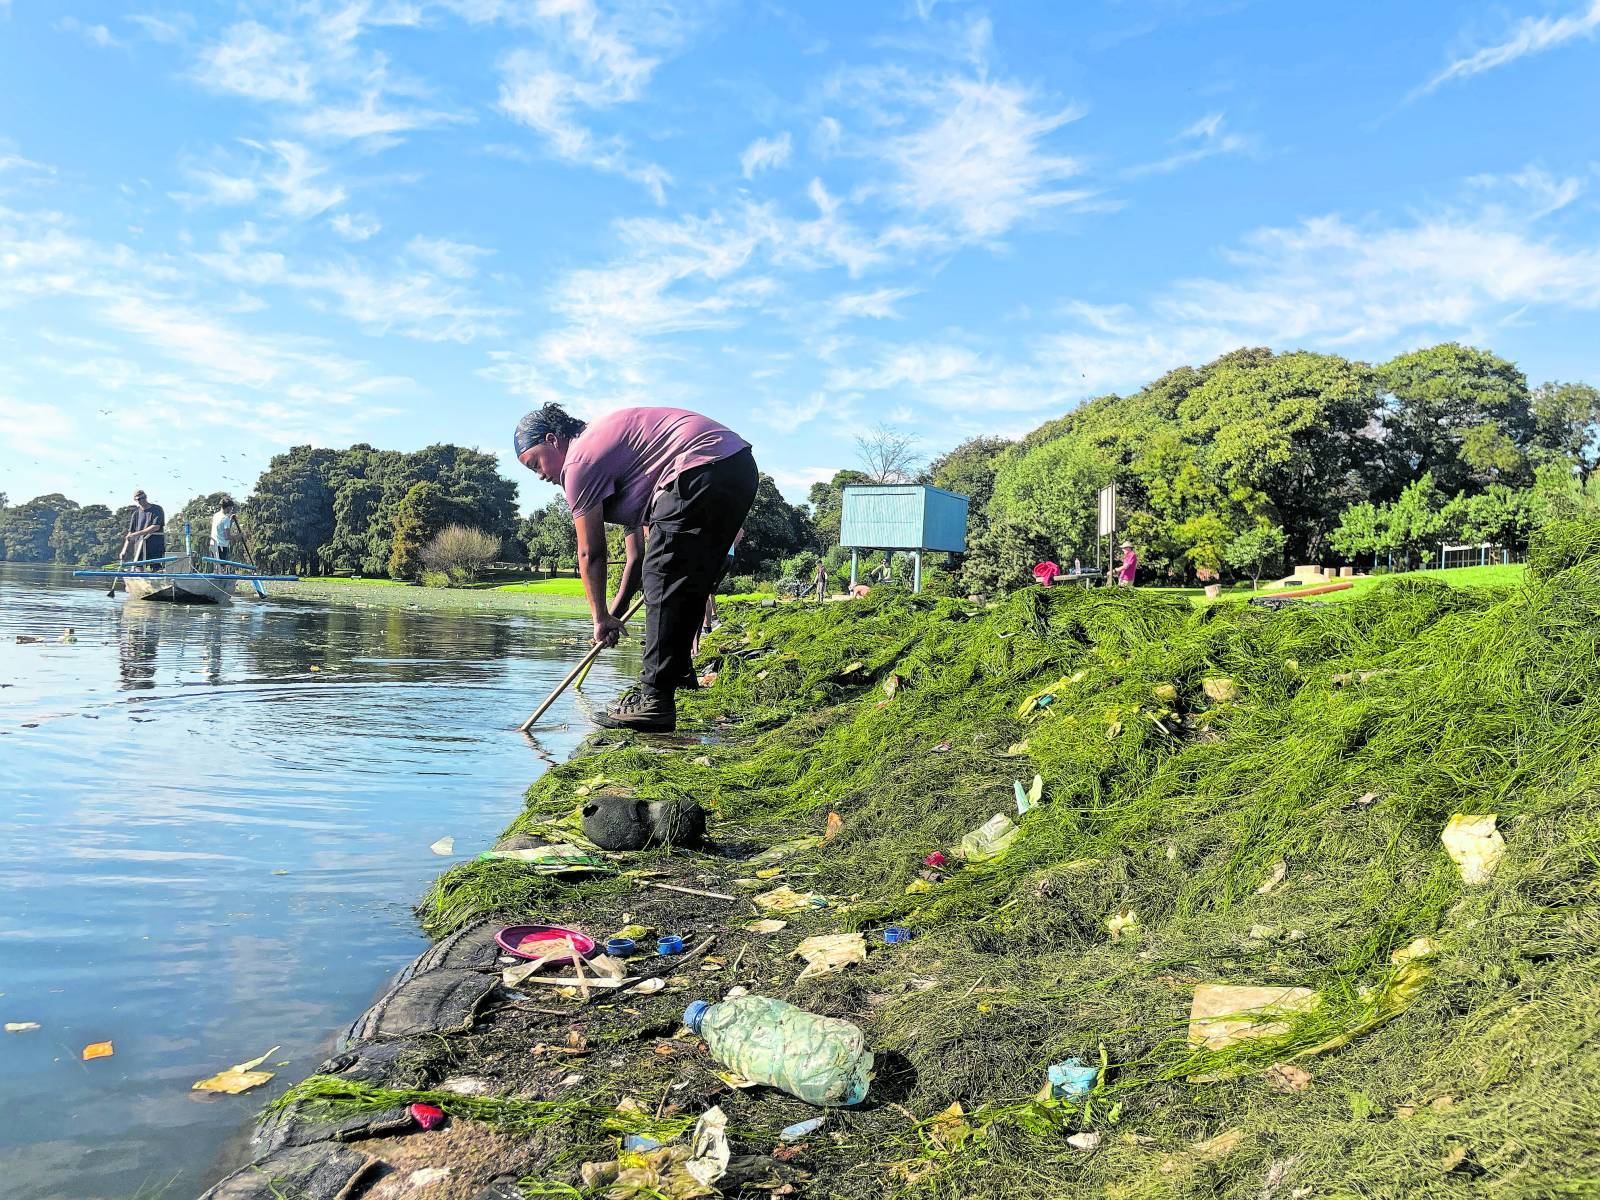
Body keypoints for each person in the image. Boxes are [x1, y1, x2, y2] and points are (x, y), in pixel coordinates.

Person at [515, 403, 757, 732]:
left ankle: (654, 701)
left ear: (552, 440)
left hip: (700, 466)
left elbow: (590, 552)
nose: (540, 475)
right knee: (685, 582)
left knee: (663, 580)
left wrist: (598, 617)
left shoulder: (579, 463)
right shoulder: (616, 459)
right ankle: (679, 676)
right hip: (738, 466)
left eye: (536, 464)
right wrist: (612, 613)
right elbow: (638, 556)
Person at [122, 489, 165, 571]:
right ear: (135, 500)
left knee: (156, 568)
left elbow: (155, 527)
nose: (142, 500)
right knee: (138, 568)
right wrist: (124, 550)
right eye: (139, 499)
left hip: (155, 545)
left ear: (146, 497)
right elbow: (130, 533)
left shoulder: (157, 509)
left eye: (143, 498)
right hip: (139, 546)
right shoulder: (136, 513)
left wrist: (136, 534)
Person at [210, 499, 243, 566]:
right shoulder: (225, 518)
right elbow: (227, 537)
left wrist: (230, 521)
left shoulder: (216, 515)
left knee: (216, 567)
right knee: (221, 567)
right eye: (231, 508)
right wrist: (239, 536)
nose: (232, 509)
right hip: (221, 546)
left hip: (213, 545)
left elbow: (222, 529)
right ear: (228, 507)